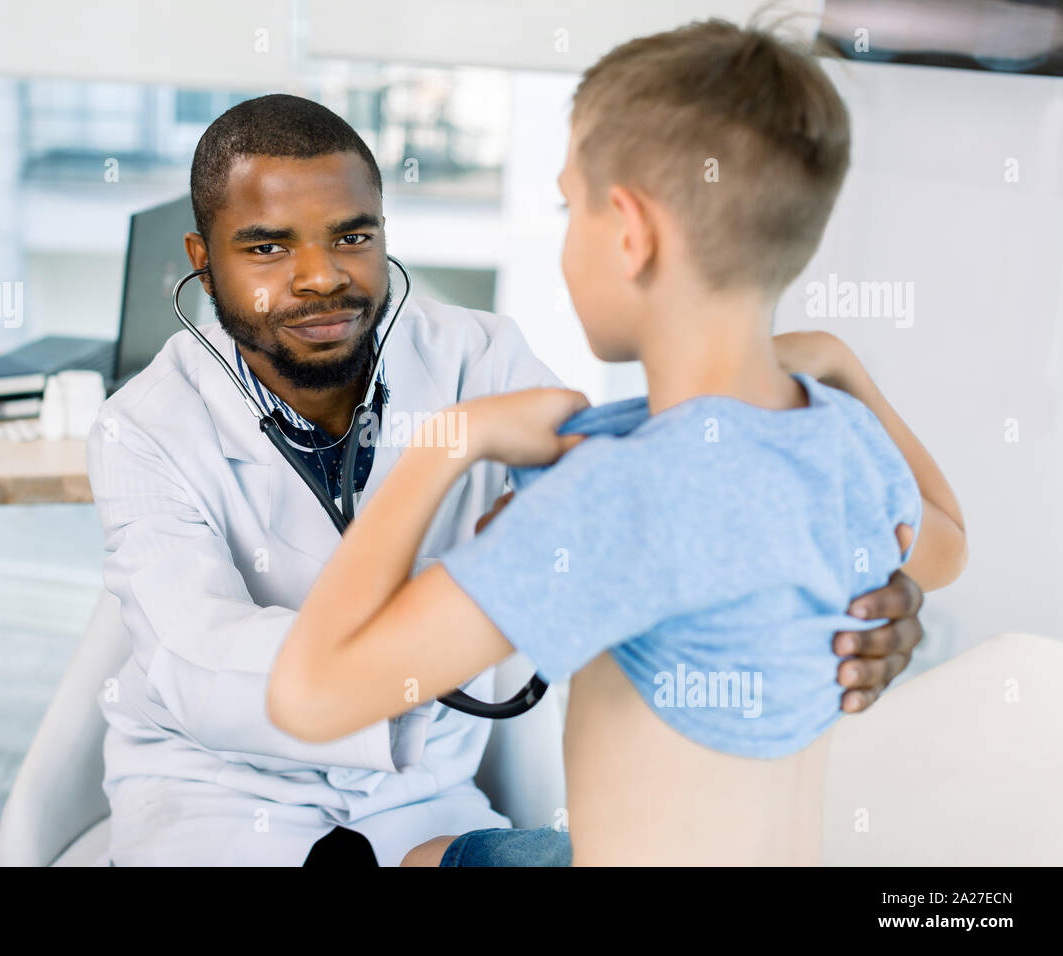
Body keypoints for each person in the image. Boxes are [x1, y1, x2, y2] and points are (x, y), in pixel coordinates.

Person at [87, 92, 935, 867]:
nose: (321, 276)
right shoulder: (144, 429)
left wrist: (843, 605)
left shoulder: (481, 358)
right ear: (202, 258)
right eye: (268, 247)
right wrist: (430, 642)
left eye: (353, 235)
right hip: (222, 810)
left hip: (423, 810)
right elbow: (202, 668)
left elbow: (638, 517)